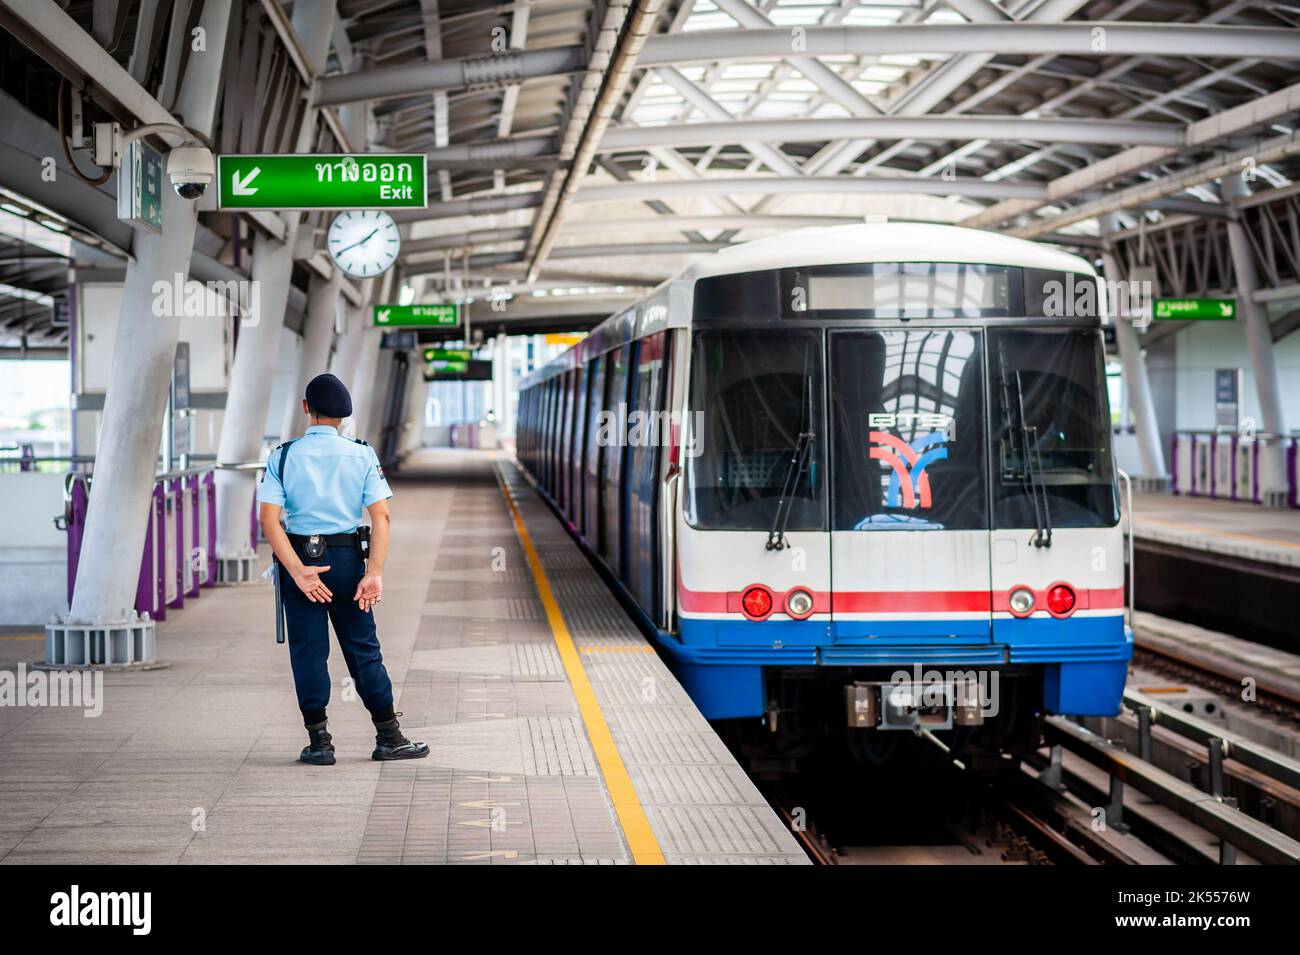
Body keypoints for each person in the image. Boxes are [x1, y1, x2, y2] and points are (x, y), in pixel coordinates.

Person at [256, 372, 429, 765]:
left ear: (306, 409)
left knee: (308, 652)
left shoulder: (283, 455)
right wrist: (375, 571)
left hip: (299, 560)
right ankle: (389, 736)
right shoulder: (362, 453)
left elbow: (270, 521)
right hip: (349, 561)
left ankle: (319, 743)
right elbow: (381, 517)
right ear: (345, 417)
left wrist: (299, 571)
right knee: (363, 649)